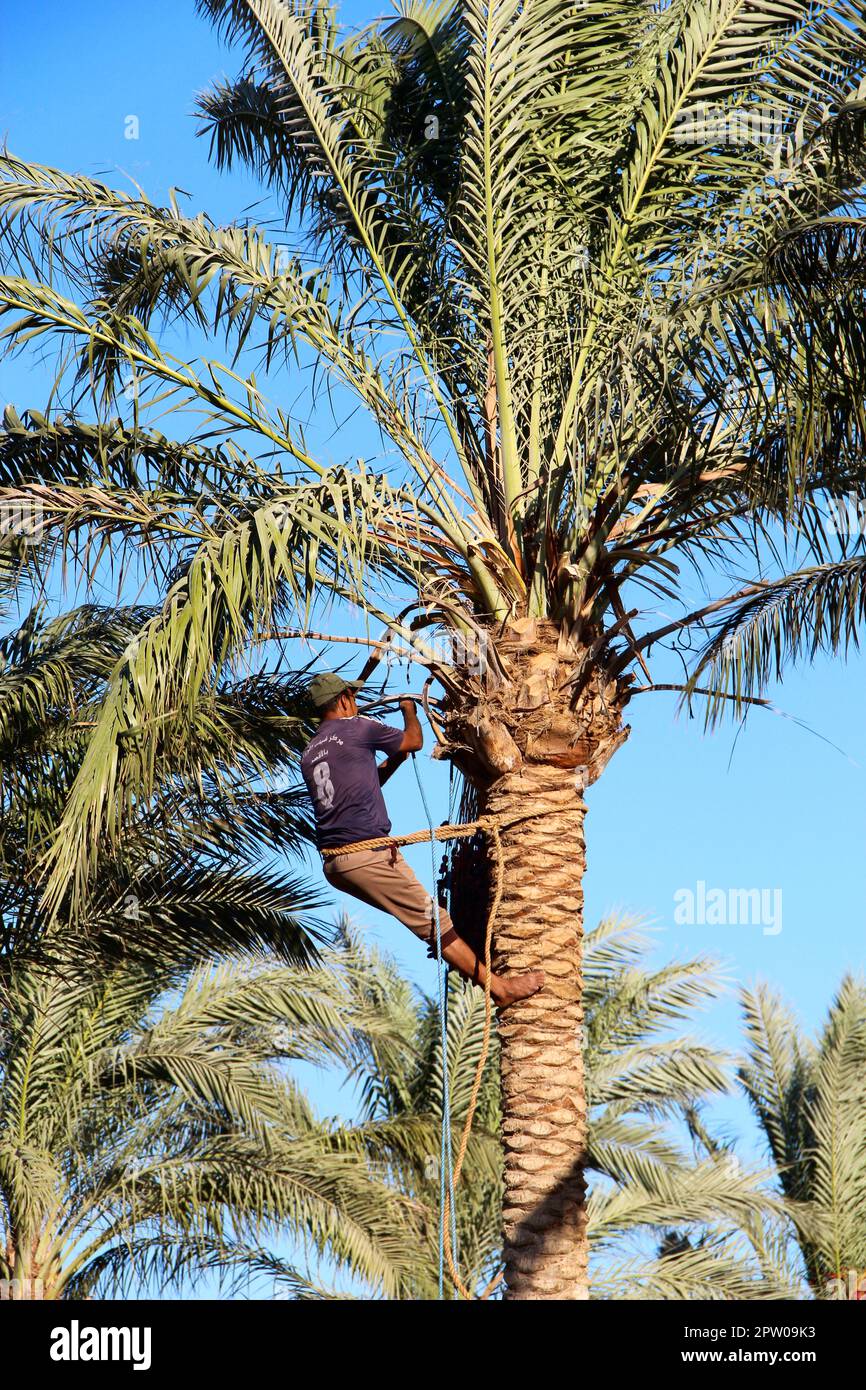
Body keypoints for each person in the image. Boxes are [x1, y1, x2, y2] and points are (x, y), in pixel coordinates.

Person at [300, 672, 544, 1008]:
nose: (355, 703)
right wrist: (408, 711)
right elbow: (414, 740)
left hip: (337, 865)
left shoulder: (311, 752)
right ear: (344, 699)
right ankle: (499, 990)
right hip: (366, 857)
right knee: (433, 921)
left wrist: (393, 758)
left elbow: (364, 785)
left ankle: (463, 956)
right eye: (352, 698)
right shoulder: (357, 728)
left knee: (424, 916)